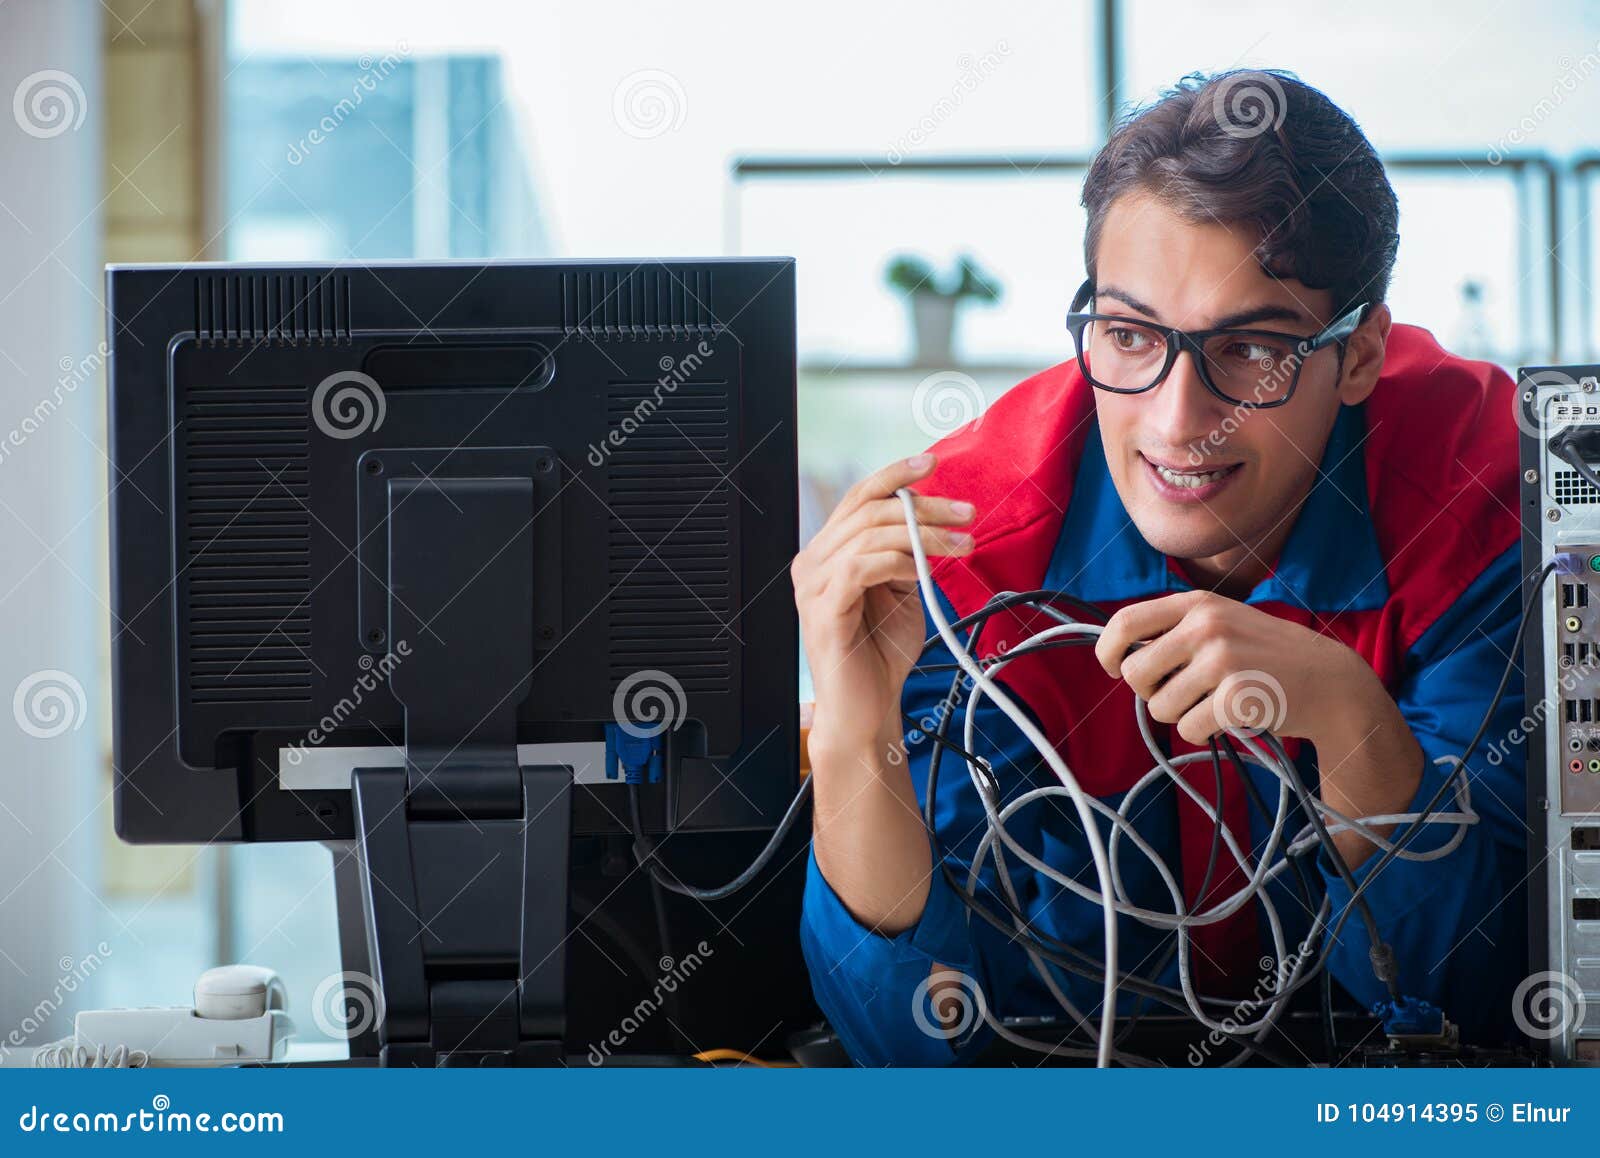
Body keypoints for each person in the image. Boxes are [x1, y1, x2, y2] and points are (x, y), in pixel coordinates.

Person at [792, 69, 1525, 1065]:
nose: (1178, 419)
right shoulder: (965, 540)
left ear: (1357, 359)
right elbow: (917, 1043)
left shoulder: (1480, 492)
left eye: (1253, 349)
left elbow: (1503, 995)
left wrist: (1355, 724)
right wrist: (850, 731)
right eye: (1130, 335)